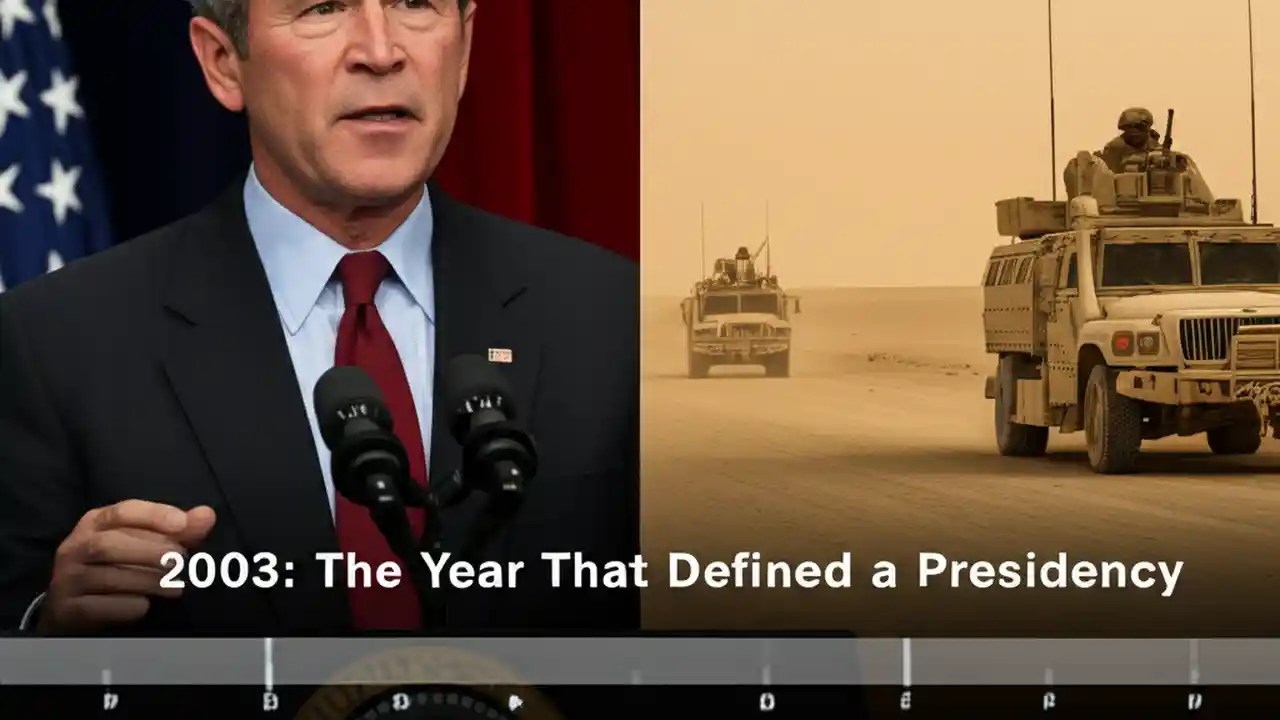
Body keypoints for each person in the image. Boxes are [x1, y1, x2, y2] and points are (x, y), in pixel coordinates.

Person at [0, 0, 638, 636]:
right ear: (223, 62)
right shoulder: (56, 341)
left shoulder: (613, 317)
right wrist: (49, 630)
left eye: (416, 4)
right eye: (323, 8)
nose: (381, 53)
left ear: (465, 46)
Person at [1098, 107, 1162, 172]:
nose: (1135, 131)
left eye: (1140, 127)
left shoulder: (1153, 145)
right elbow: (1109, 172)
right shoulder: (1114, 147)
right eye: (1130, 127)